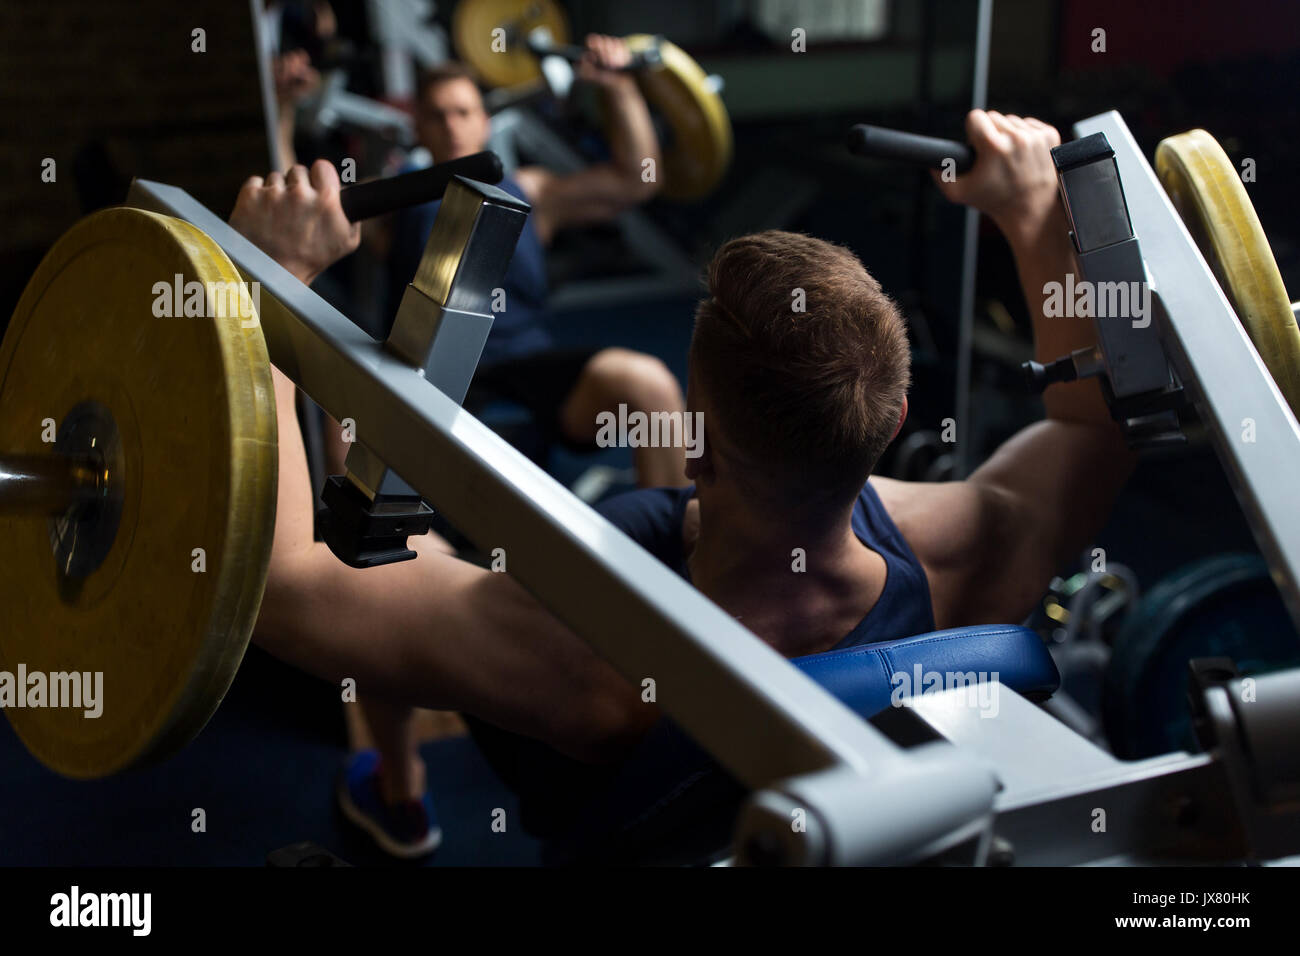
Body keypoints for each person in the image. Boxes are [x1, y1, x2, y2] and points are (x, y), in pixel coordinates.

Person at [232, 109, 1134, 858]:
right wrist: (1034, 214)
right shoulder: (971, 546)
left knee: (392, 527)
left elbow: (287, 588)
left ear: (691, 439)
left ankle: (399, 795)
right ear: (891, 425)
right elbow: (1094, 425)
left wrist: (267, 278)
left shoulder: (579, 651)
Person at [378, 39, 688, 490]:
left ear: (484, 122)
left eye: (462, 112)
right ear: (417, 126)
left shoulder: (533, 193)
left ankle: (670, 540)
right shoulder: (394, 203)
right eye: (436, 115)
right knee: (335, 404)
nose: (451, 126)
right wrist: (285, 113)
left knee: (650, 384)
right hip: (424, 372)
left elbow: (636, 182)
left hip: (526, 366)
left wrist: (618, 88)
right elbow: (311, 223)